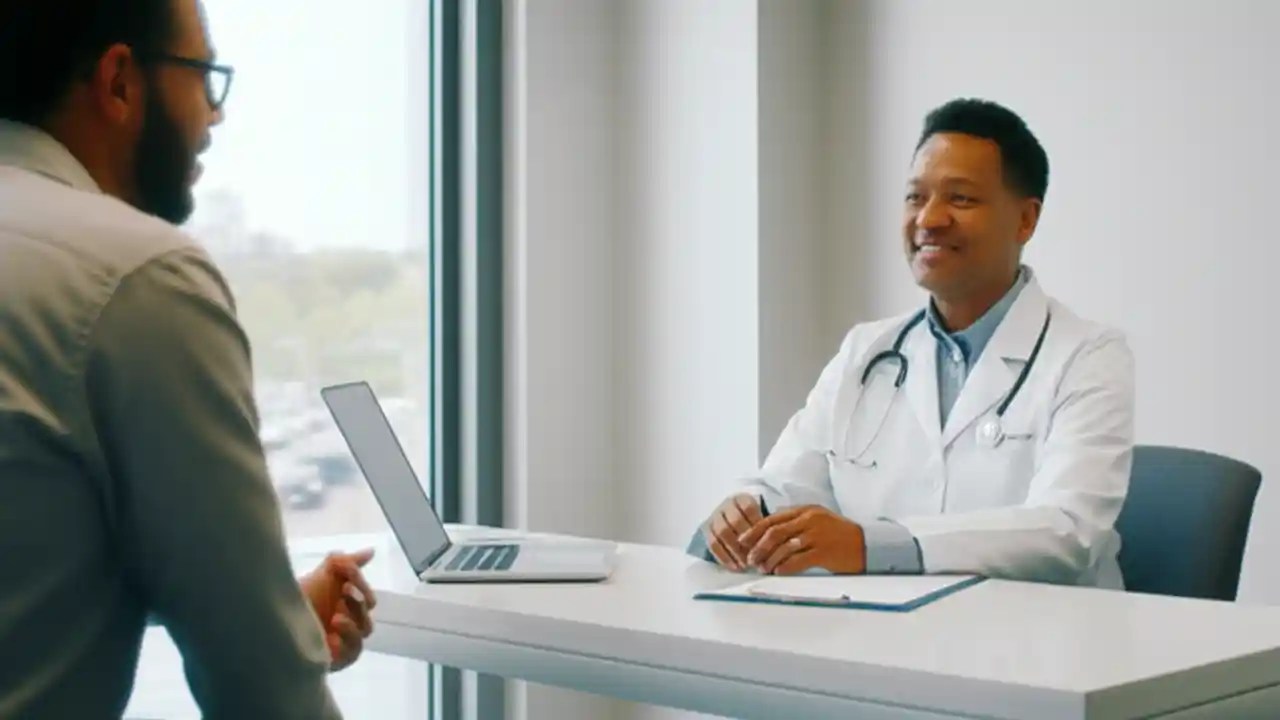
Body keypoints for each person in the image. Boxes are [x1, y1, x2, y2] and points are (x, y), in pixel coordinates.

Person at [0, 1, 375, 717]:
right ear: (118, 81)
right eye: (204, 77)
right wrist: (266, 639)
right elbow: (266, 696)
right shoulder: (136, 277)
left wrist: (257, 609)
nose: (215, 115)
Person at [695, 98, 1135, 588]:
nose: (929, 218)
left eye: (960, 199)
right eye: (914, 197)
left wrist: (869, 546)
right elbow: (786, 481)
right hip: (889, 636)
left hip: (1044, 645)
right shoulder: (867, 351)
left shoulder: (1088, 354)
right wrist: (744, 513)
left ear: (1025, 220)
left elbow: (1066, 531)